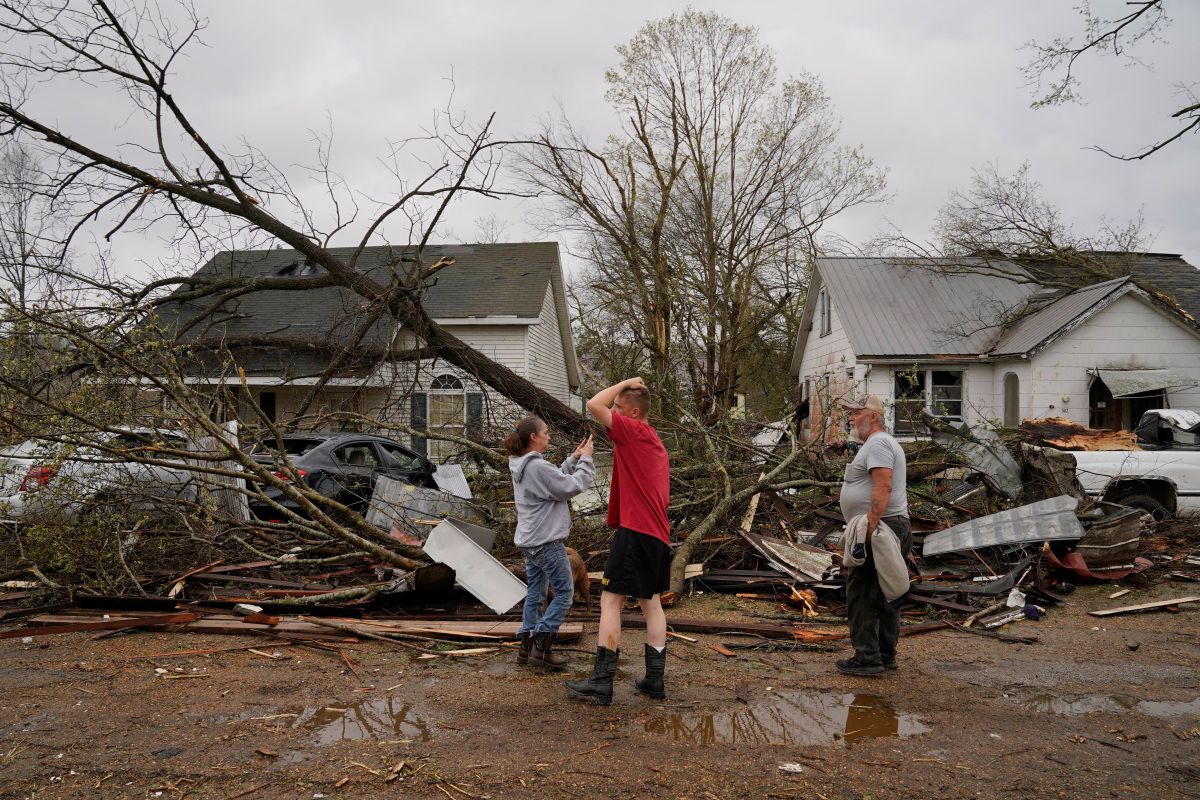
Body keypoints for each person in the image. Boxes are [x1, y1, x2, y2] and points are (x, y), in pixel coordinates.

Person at [566, 377, 671, 705]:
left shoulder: (634, 430)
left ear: (634, 412)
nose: (614, 411)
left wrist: (627, 381)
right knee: (651, 602)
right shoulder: (652, 438)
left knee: (610, 602)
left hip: (637, 532)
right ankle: (654, 680)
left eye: (619, 407)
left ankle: (601, 681)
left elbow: (593, 404)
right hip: (657, 534)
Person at [504, 416, 595, 671]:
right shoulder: (536, 466)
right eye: (546, 432)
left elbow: (552, 481)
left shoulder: (523, 463)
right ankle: (541, 647)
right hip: (546, 541)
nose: (549, 436)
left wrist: (573, 459)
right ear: (533, 437)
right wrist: (587, 459)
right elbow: (572, 486)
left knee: (536, 593)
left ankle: (526, 647)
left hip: (530, 540)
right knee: (565, 594)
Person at [836, 393, 912, 677]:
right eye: (851, 413)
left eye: (856, 413)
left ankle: (867, 659)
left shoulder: (878, 443)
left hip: (881, 528)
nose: (851, 418)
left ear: (874, 417)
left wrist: (868, 528)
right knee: (885, 592)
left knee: (862, 591)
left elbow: (883, 487)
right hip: (889, 525)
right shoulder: (880, 443)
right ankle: (885, 654)